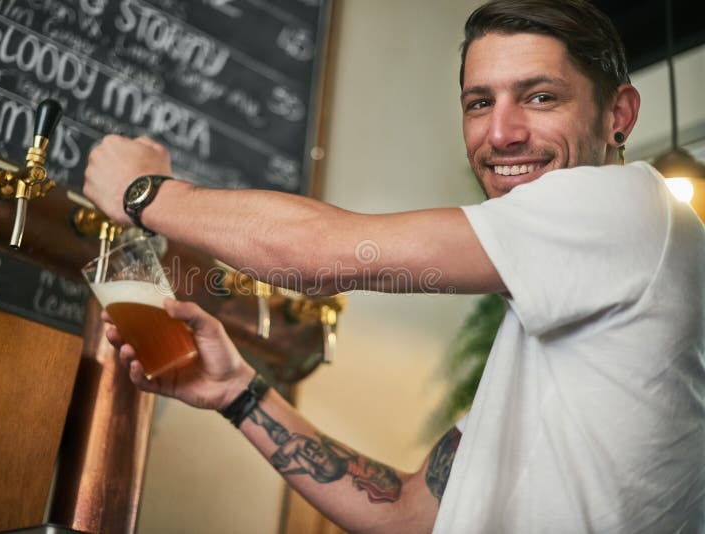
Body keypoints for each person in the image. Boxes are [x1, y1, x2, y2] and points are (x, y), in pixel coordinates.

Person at [84, 0, 705, 532]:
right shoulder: (559, 330)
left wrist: (145, 191)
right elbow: (410, 511)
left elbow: (320, 257)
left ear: (619, 115)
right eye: (479, 102)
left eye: (540, 97)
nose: (502, 133)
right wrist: (237, 393)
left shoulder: (627, 206)